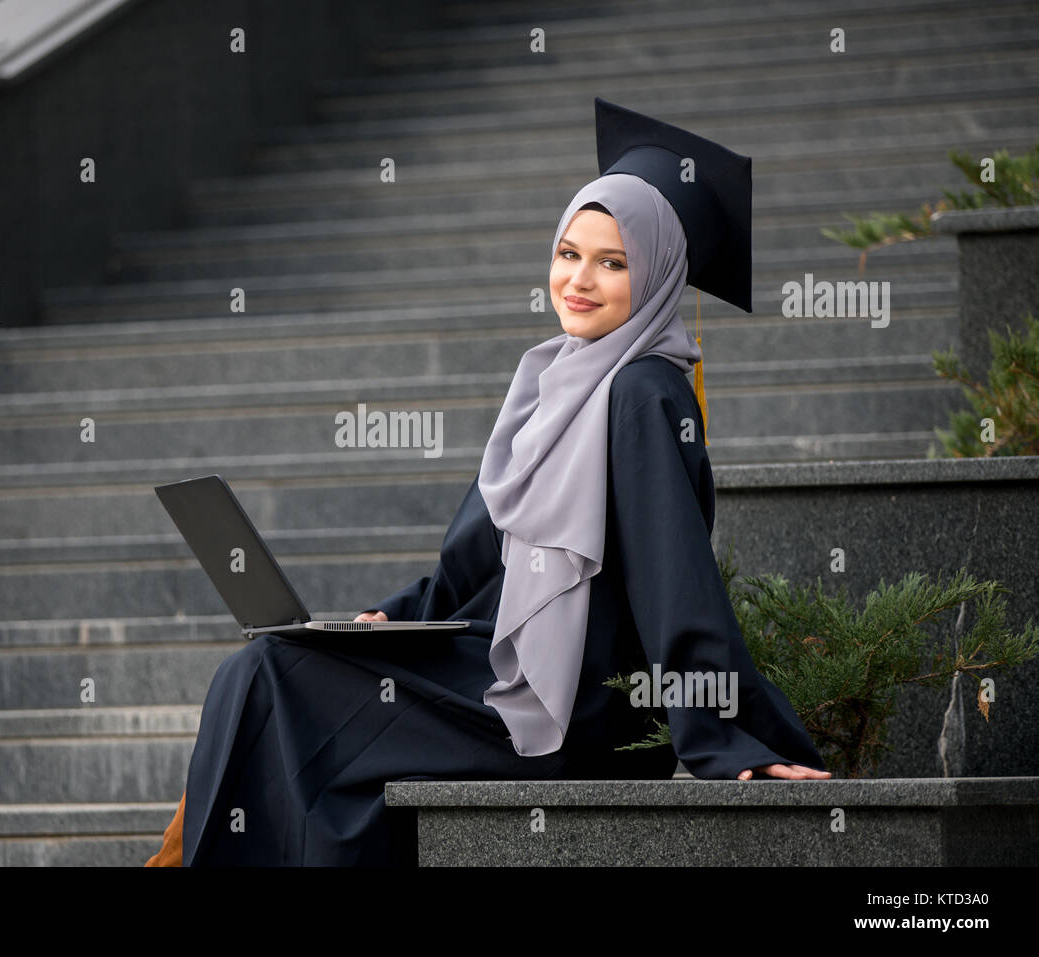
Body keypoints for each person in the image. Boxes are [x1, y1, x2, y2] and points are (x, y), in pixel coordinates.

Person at [145, 99, 830, 868]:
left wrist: (724, 735)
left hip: (572, 707)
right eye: (568, 252)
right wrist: (387, 619)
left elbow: (678, 583)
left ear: (661, 273)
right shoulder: (547, 381)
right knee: (271, 667)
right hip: (502, 668)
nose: (578, 280)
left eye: (613, 262)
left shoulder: (643, 393)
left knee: (273, 681)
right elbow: (478, 567)